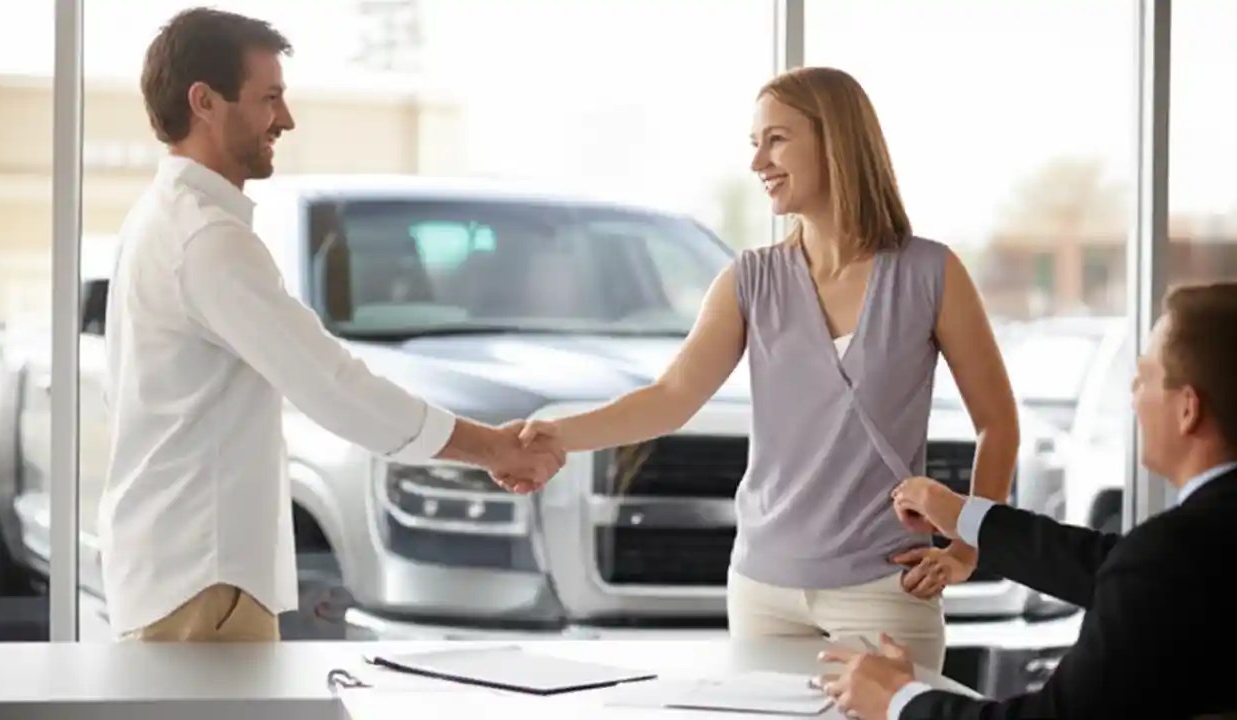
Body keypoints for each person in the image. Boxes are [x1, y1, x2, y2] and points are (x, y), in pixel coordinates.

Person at [504, 66, 1019, 671]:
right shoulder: (750, 280)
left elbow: (998, 424)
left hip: (885, 590)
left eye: (776, 139)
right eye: (754, 144)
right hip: (764, 590)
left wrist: (966, 547)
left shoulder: (931, 275)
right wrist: (558, 434)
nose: (758, 164)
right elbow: (671, 397)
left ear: (836, 140)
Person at [100, 7, 562, 643]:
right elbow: (335, 387)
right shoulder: (207, 240)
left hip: (177, 572)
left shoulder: (159, 219)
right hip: (203, 584)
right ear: (204, 101)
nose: (285, 120)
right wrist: (494, 450)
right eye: (270, 98)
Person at [819, 282, 1237, 720]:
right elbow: (1119, 568)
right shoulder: (1198, 545)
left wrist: (899, 701)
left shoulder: (1171, 554)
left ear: (1188, 409)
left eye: (1146, 376)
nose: (1132, 392)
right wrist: (965, 518)